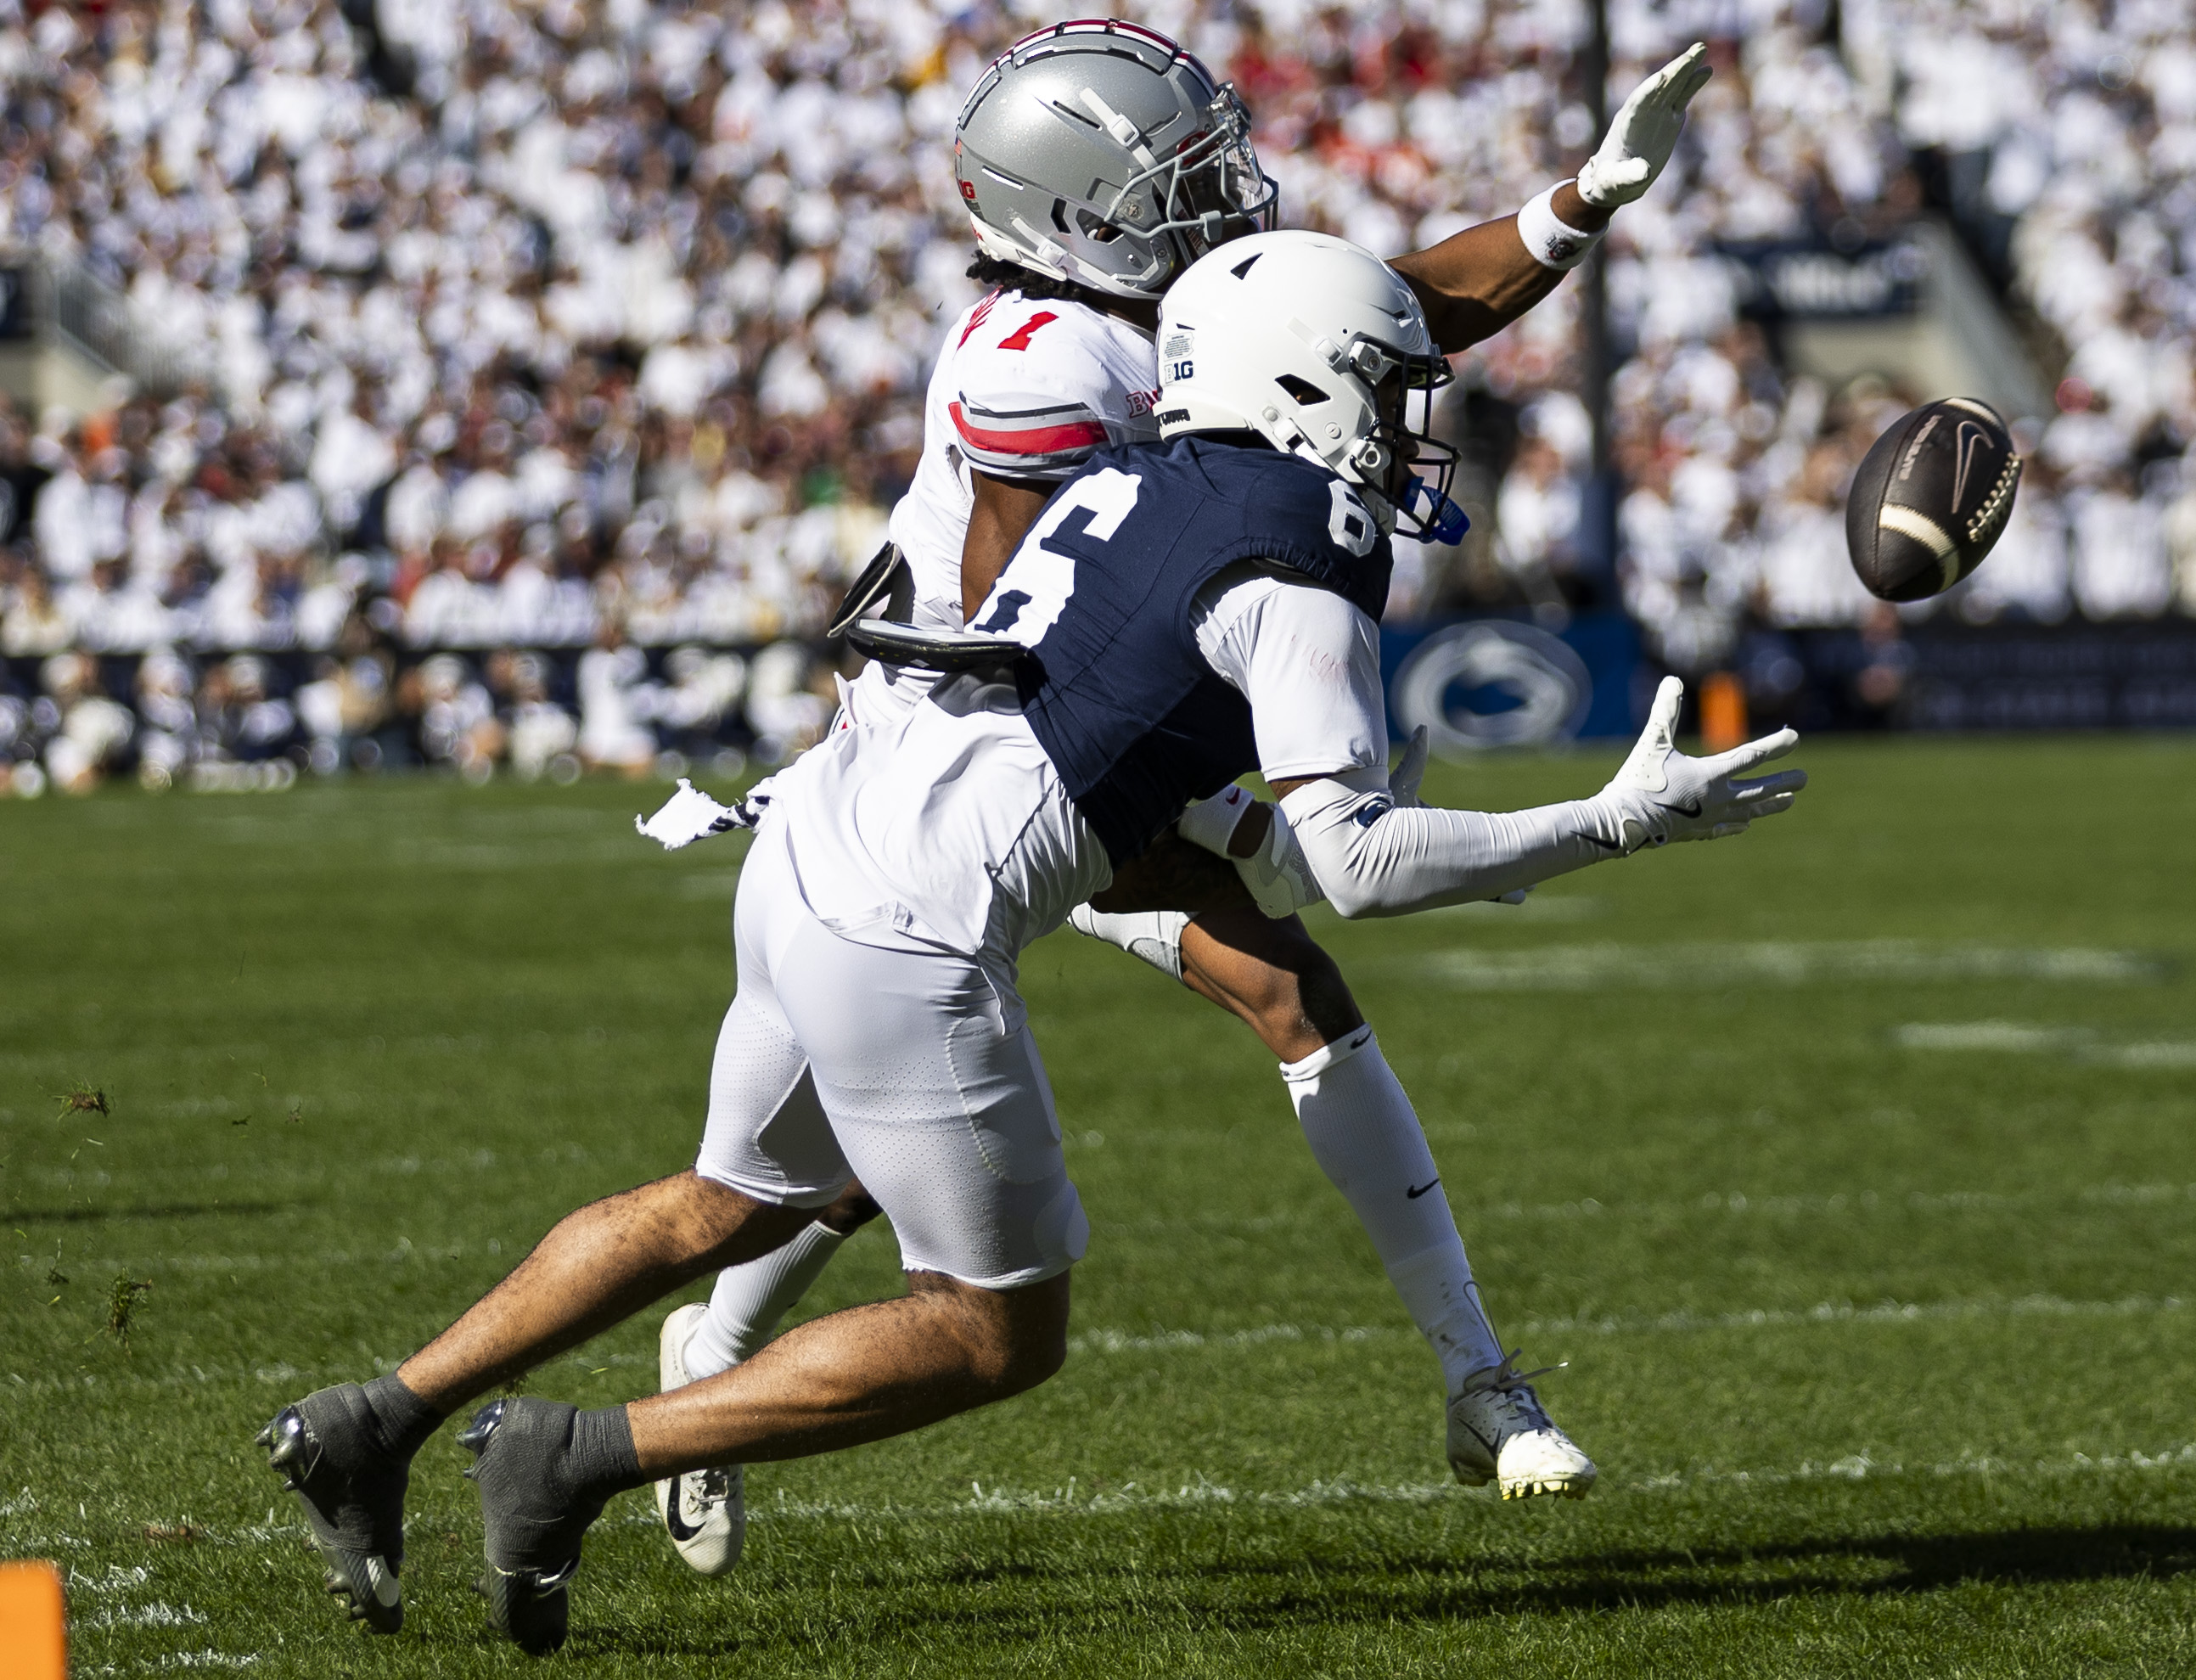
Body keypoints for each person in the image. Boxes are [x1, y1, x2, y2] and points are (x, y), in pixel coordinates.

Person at [259, 231, 1805, 1655]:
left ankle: (369, 1422)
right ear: (1305, 379)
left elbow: (1119, 745)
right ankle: (577, 1455)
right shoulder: (1301, 539)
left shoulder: (1134, 477)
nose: (1407, 420)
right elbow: (1362, 864)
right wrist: (1611, 822)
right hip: (909, 918)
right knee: (993, 1330)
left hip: (824, 827)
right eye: (1388, 382)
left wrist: (1269, 840)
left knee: (720, 1203)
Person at [633, 22, 1718, 1574]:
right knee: (954, 1090)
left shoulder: (1171, 305)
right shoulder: (1045, 359)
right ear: (1072, 213)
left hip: (1068, 738)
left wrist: (1583, 198)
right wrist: (1227, 818)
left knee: (964, 1097)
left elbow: (1386, 317)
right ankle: (708, 1367)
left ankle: (1479, 1383)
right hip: (977, 755)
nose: (1224, 200)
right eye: (1178, 182)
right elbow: (1029, 648)